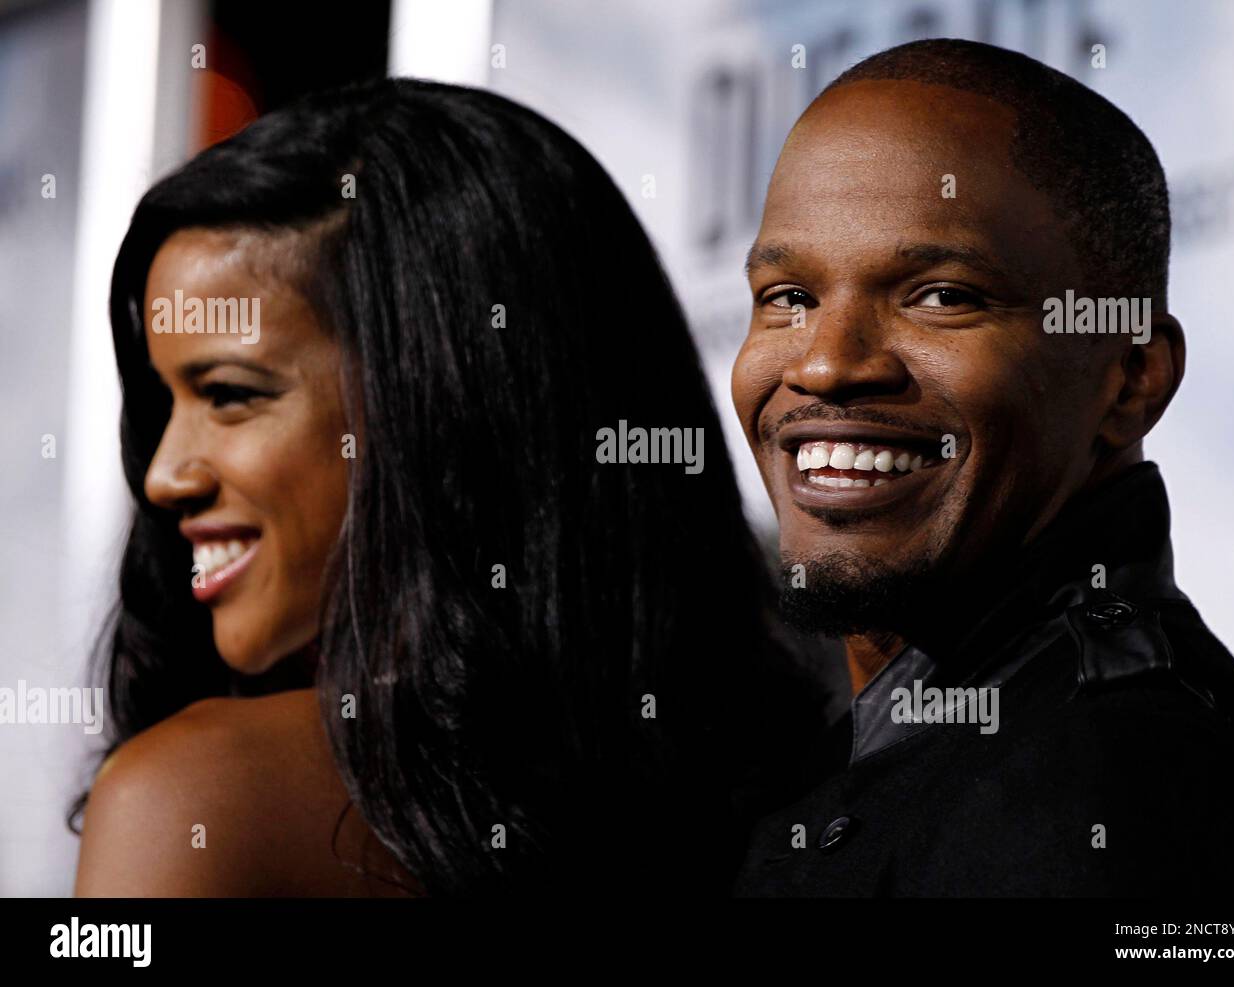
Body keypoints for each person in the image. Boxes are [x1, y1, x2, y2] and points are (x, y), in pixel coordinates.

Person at [72, 77, 826, 898]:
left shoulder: (191, 795)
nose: (164, 473)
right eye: (164, 401)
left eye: (230, 394)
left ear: (446, 403)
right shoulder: (798, 786)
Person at [731, 38, 1234, 895]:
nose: (825, 363)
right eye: (789, 300)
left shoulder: (1120, 808)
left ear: (1131, 376)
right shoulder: (833, 753)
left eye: (943, 296)